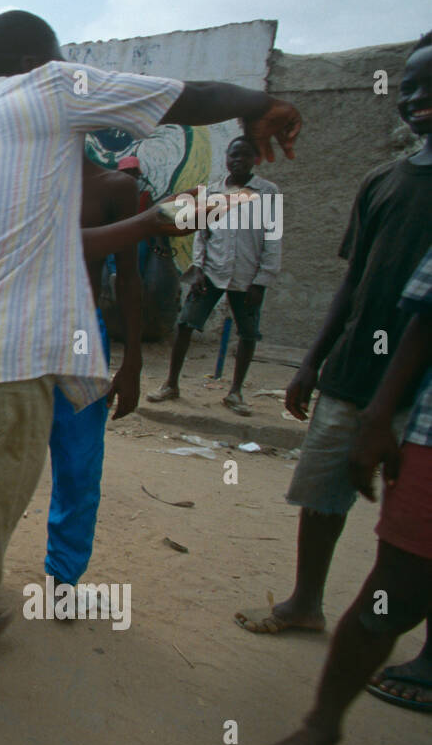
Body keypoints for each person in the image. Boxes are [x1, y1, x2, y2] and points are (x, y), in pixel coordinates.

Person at [0, 9, 303, 743]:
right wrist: (258, 103)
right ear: (34, 61)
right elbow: (183, 97)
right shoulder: (46, 89)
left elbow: (48, 242)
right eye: (59, 57)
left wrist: (152, 225)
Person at [234, 34, 432, 638]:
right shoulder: (382, 182)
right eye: (408, 88)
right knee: (323, 491)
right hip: (354, 371)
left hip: (421, 393)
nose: (416, 98)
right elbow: (353, 282)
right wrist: (312, 362)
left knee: (416, 524)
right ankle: (306, 601)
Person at [259, 244, 432, 745]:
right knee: (394, 588)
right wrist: (377, 411)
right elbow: (416, 313)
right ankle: (321, 727)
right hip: (389, 401)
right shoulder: (386, 197)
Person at [41, 155, 145, 598]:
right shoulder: (16, 178)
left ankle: (62, 580)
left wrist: (133, 359)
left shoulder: (115, 187)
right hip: (17, 333)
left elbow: (128, 277)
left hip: (81, 338)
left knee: (78, 464)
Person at [146, 135, 282, 415]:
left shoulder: (268, 192)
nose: (238, 160)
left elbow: (273, 238)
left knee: (248, 334)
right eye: (233, 155)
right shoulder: (213, 192)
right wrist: (198, 268)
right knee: (185, 324)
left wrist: (262, 281)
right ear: (227, 158)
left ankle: (235, 392)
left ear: (255, 159)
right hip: (212, 271)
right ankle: (171, 384)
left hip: (248, 277)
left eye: (244, 155)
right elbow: (202, 234)